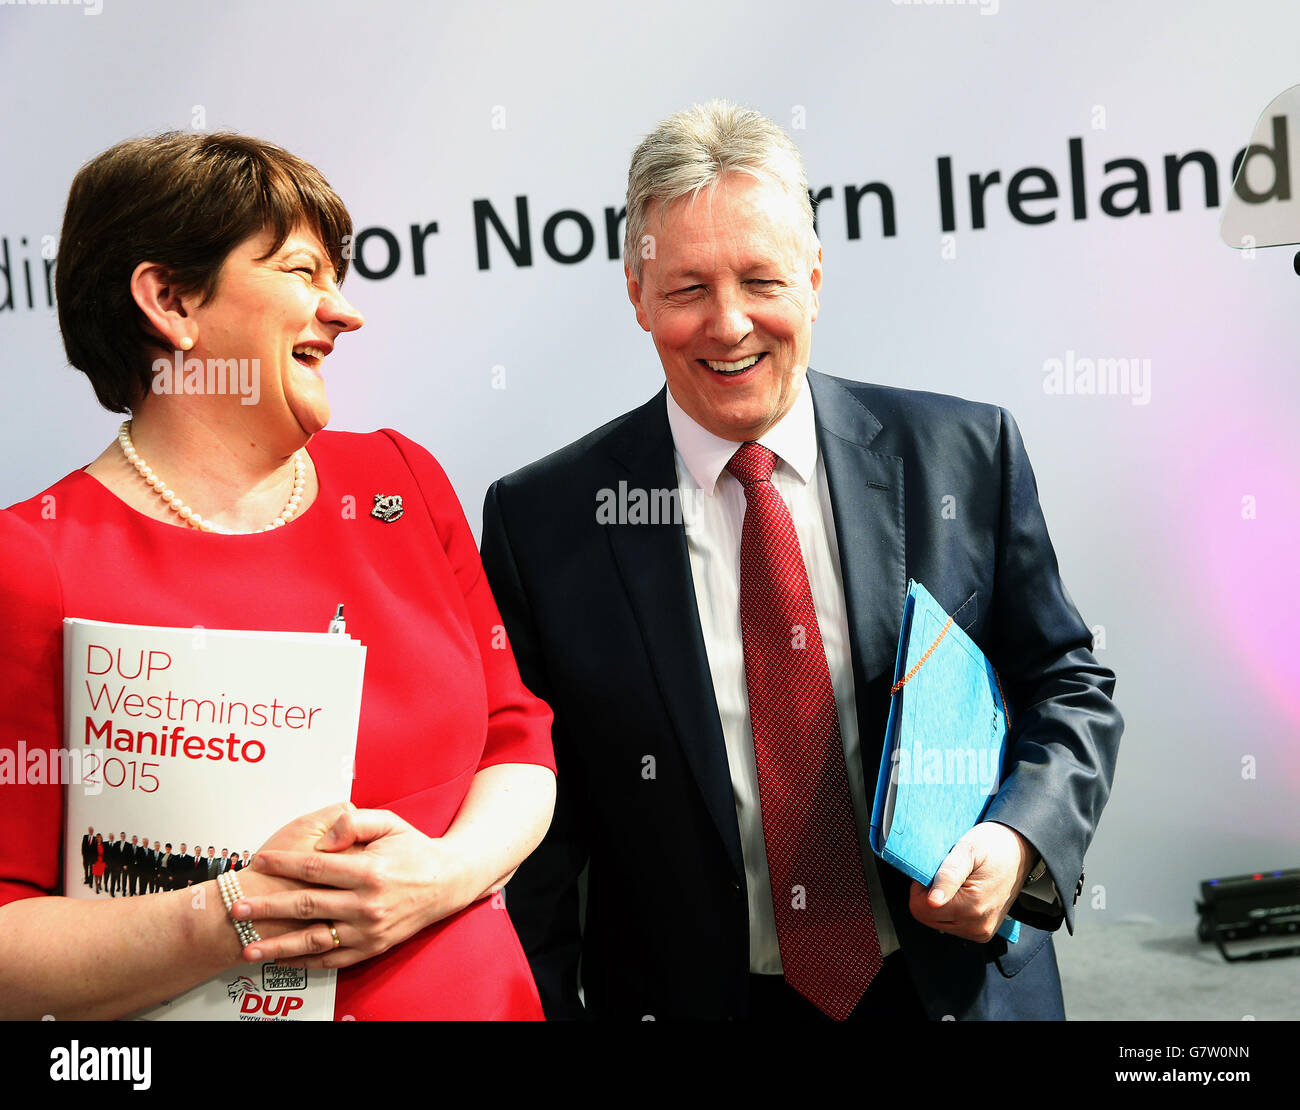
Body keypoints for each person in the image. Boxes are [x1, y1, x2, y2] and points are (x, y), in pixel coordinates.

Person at [481, 101, 1124, 1021]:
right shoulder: (541, 522)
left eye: (761, 279)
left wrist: (1020, 838)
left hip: (953, 989)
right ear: (636, 294)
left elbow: (1066, 681)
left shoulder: (962, 452)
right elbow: (539, 822)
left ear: (815, 276)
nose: (729, 324)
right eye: (688, 288)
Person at [0, 131, 555, 1020]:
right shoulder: (33, 561)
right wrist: (241, 913)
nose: (344, 312)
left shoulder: (399, 482)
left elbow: (517, 740)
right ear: (171, 301)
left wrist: (439, 877)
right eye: (303, 272)